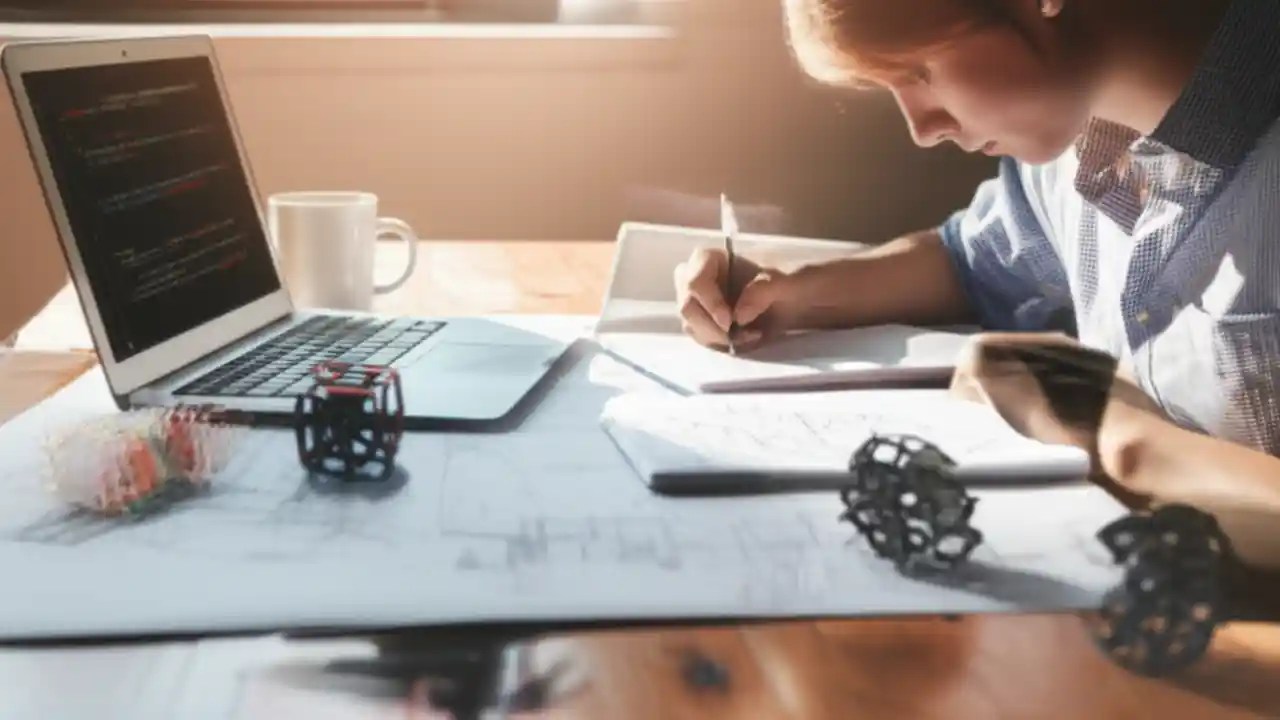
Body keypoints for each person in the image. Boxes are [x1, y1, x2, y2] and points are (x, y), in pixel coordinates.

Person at [673, 0, 1280, 567]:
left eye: (919, 70)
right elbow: (971, 261)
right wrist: (793, 291)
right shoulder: (1077, 141)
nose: (922, 127)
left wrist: (1107, 430)